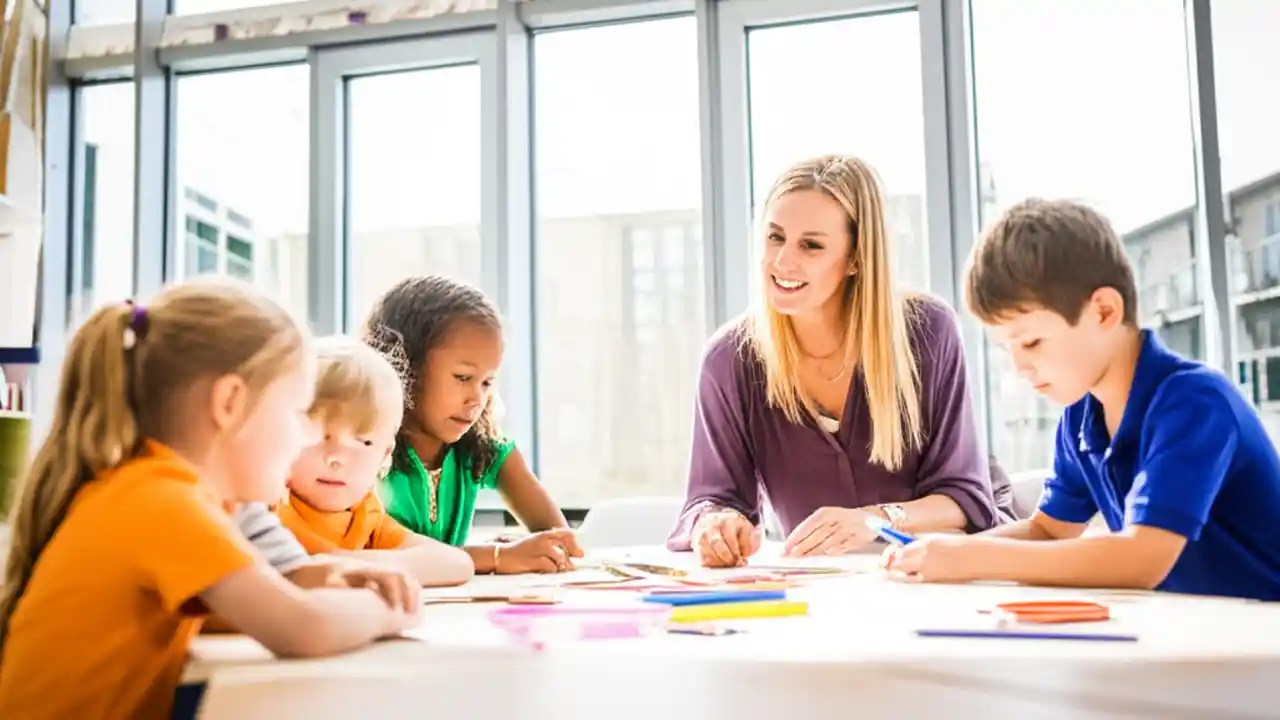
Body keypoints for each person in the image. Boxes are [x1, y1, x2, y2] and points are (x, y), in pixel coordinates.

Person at [0, 279, 418, 719]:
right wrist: (386, 612)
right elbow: (302, 628)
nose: (310, 435)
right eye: (298, 413)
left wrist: (333, 573)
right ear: (230, 402)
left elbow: (257, 587)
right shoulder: (161, 501)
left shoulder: (161, 490)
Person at [884, 199, 1280, 600]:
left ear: (1104, 311)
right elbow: (1049, 530)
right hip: (1200, 637)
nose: (1020, 367)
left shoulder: (1196, 404)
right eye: (1008, 350)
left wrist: (972, 559)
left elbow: (1141, 559)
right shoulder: (1080, 419)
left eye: (1032, 342)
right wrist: (943, 551)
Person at [668, 155, 1011, 567]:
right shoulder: (729, 360)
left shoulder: (927, 332)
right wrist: (716, 523)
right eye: (775, 237)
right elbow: (712, 496)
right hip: (831, 579)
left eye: (810, 245)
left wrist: (874, 520)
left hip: (962, 559)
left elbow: (965, 497)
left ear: (855, 258)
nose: (783, 262)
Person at [363, 276, 583, 574]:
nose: (476, 398)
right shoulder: (361, 450)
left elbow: (561, 538)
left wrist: (533, 549)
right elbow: (375, 556)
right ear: (403, 367)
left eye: (487, 382)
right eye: (463, 378)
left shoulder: (481, 446)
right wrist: (495, 556)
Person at [278, 336, 475, 586]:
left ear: (384, 455)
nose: (337, 458)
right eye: (317, 436)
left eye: (363, 442)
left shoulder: (366, 514)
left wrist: (352, 564)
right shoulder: (266, 504)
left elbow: (456, 564)